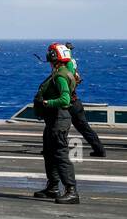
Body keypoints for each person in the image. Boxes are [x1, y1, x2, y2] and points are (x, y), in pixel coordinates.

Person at [33, 43, 79, 204]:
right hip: (53, 120)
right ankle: (52, 187)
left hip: (59, 119)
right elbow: (71, 64)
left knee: (60, 155)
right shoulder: (65, 71)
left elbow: (65, 99)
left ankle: (71, 191)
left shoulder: (60, 76)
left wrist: (46, 102)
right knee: (49, 153)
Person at [64, 42, 107, 158]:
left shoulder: (66, 64)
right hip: (75, 101)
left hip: (67, 103)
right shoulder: (72, 62)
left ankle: (53, 150)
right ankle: (99, 149)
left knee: (56, 127)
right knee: (85, 128)